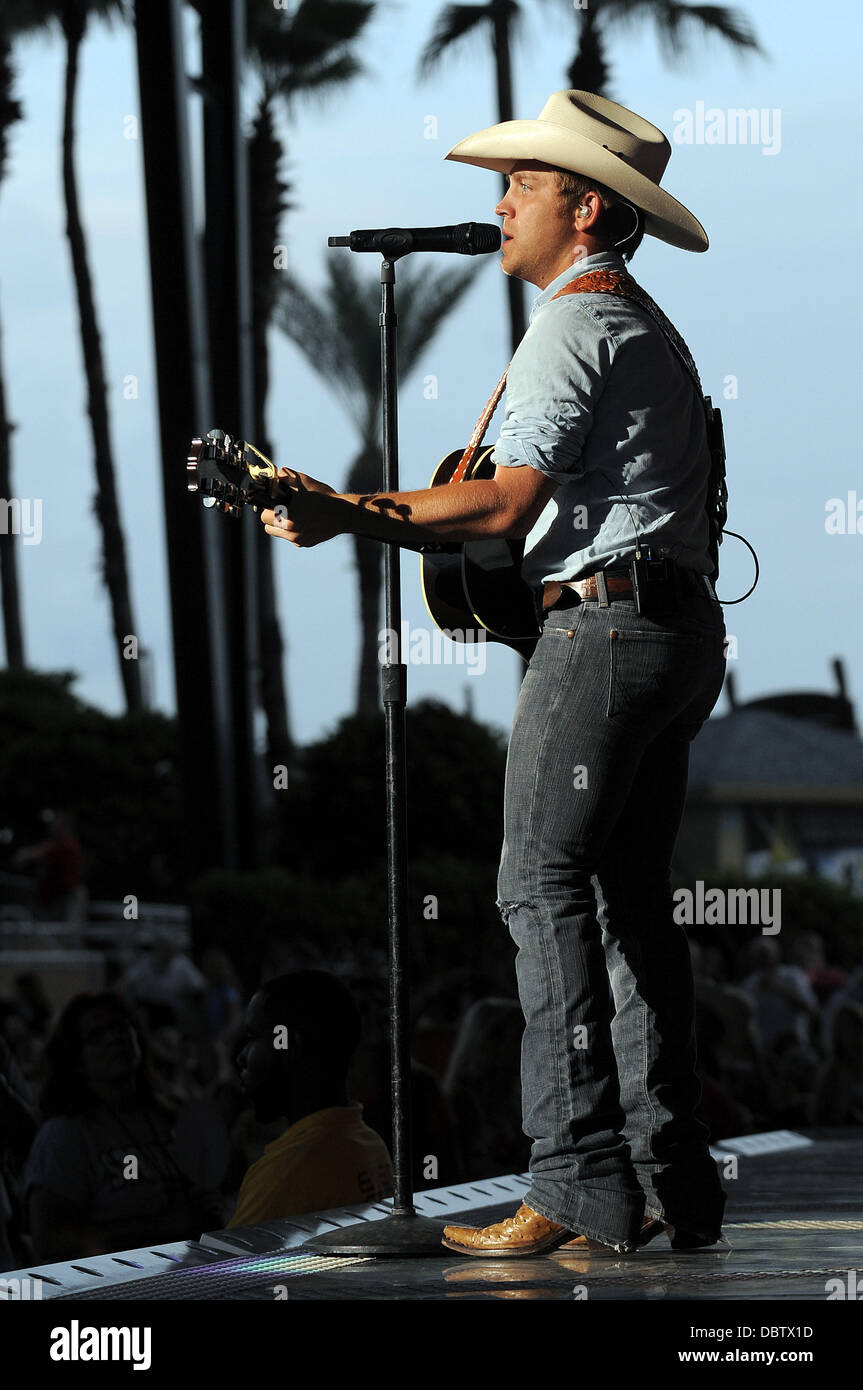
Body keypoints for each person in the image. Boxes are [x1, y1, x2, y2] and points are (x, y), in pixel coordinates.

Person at [258, 91, 728, 1256]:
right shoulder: (642, 324)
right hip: (672, 633)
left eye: (520, 183)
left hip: (601, 635)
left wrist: (339, 510)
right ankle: (671, 1180)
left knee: (537, 886)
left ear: (582, 207)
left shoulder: (571, 326)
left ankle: (572, 1182)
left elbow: (502, 502)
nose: (499, 202)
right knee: (625, 911)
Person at [25, 992, 228, 1261]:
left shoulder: (170, 1116)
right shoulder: (66, 1135)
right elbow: (50, 1240)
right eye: (97, 1035)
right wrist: (161, 1225)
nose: (115, 1038)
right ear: (76, 1059)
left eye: (122, 1026)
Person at [228, 972, 393, 1226]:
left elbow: (233, 1264)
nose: (241, 1057)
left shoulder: (287, 1173)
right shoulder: (369, 1144)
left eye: (252, 1038)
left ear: (288, 1045)